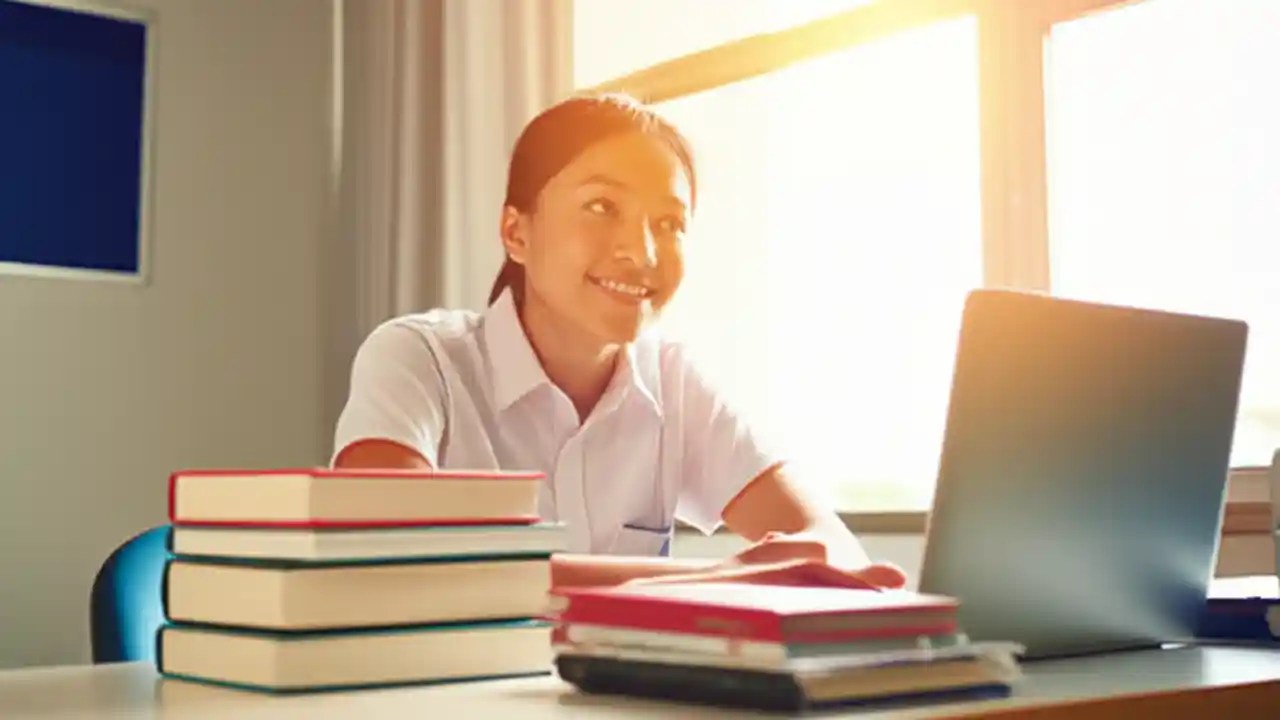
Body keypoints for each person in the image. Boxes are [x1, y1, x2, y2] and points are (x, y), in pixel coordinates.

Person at [331, 93, 905, 591]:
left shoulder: (675, 384)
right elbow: (391, 560)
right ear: (516, 232)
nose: (643, 252)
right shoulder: (418, 359)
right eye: (602, 208)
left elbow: (830, 547)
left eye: (669, 223)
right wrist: (713, 580)